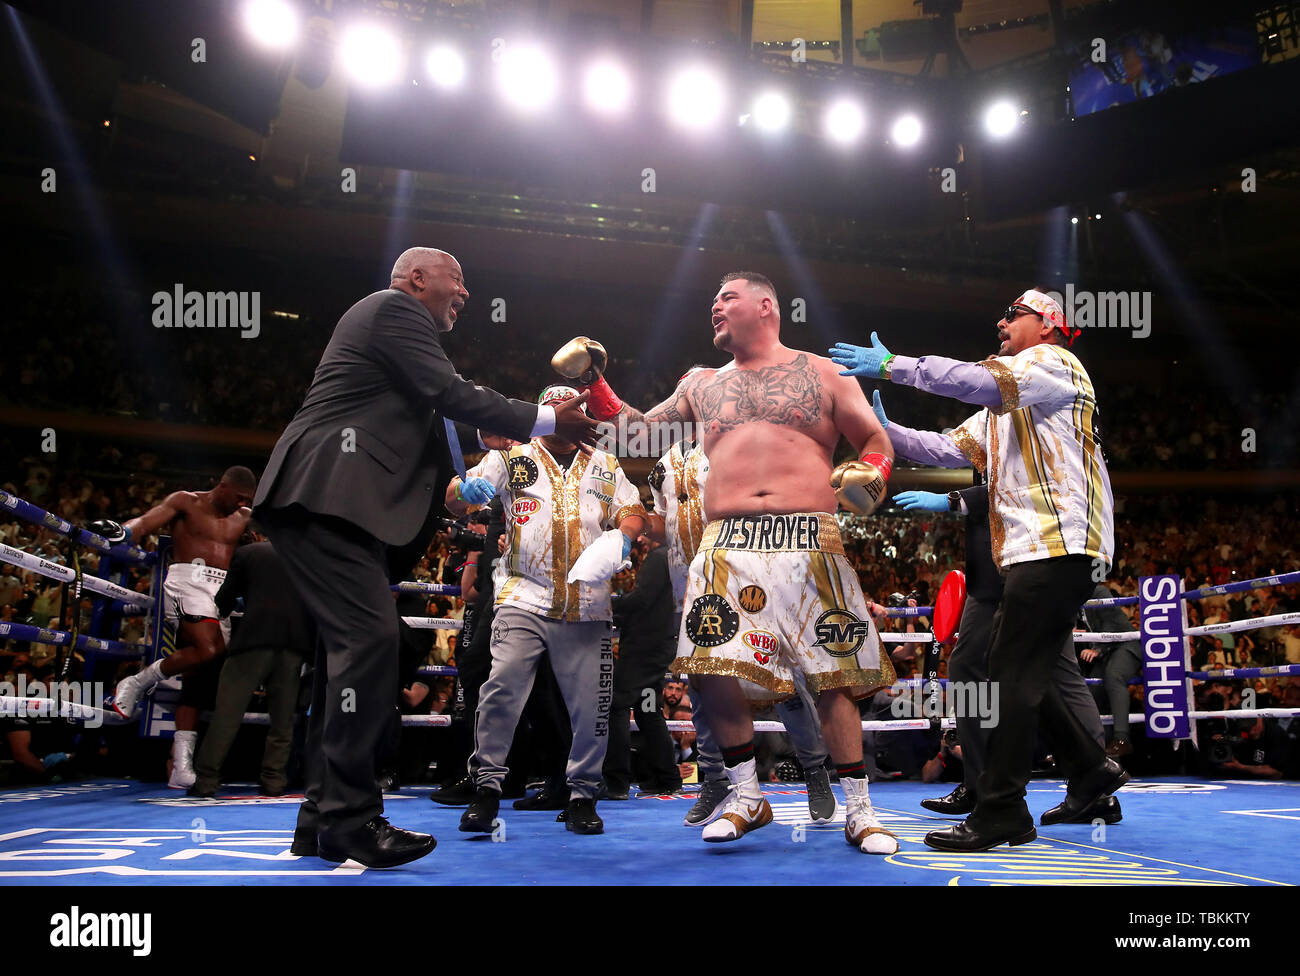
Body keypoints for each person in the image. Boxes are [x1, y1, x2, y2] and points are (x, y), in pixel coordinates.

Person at [253, 247, 600, 869]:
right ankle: (350, 821)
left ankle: (321, 819)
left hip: (338, 506)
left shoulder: (394, 336)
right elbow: (448, 391)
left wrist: (475, 467)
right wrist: (546, 419)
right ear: (418, 280)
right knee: (369, 643)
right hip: (328, 495)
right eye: (457, 279)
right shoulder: (393, 310)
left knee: (344, 664)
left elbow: (429, 414)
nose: (465, 293)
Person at [552, 271, 899, 855]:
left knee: (835, 675)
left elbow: (875, 441)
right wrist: (596, 382)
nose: (714, 306)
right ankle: (746, 794)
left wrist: (875, 476)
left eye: (726, 297)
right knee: (708, 668)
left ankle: (860, 810)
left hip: (810, 535)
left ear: (765, 307)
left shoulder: (823, 373)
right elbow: (637, 435)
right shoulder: (701, 385)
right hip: (726, 539)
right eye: (713, 298)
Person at [831, 287, 1122, 852]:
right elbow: (943, 448)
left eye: (1014, 314)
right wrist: (884, 432)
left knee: (1008, 674)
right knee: (1019, 669)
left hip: (1057, 542)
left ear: (1049, 324)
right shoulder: (1005, 410)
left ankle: (1003, 812)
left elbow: (976, 379)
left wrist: (895, 366)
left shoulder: (1053, 364)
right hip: (1034, 549)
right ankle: (1090, 769)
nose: (1001, 322)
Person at [450, 385, 646, 836]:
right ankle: (487, 790)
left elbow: (633, 509)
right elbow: (456, 498)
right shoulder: (511, 457)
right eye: (559, 408)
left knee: (591, 707)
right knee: (500, 690)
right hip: (523, 596)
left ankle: (581, 795)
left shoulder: (605, 463)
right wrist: (465, 489)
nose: (570, 415)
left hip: (587, 604)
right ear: (544, 414)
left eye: (577, 407)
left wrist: (625, 535)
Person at [891, 478, 1119, 826]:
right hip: (1016, 563)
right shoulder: (999, 430)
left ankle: (1008, 789)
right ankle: (998, 784)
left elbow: (1019, 479)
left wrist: (950, 498)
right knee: (1034, 671)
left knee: (1025, 672)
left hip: (1025, 561)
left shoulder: (1028, 431)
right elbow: (959, 450)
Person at [646, 437, 837, 827]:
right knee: (702, 687)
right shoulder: (663, 465)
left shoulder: (738, 444)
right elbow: (662, 522)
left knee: (781, 681)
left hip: (749, 579)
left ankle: (815, 769)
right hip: (691, 587)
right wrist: (623, 520)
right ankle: (715, 780)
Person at [96, 466, 257, 789]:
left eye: (246, 499)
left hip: (221, 592)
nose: (241, 503)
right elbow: (145, 523)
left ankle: (180, 763)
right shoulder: (186, 501)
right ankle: (137, 681)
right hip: (188, 582)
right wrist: (123, 531)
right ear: (221, 486)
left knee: (201, 674)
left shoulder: (244, 517)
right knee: (209, 649)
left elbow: (272, 544)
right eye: (238, 496)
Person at [188, 531, 314, 798]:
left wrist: (234, 605)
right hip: (293, 645)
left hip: (253, 640)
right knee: (283, 721)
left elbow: (224, 597)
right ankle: (274, 780)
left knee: (227, 715)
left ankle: (207, 780)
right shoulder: (306, 557)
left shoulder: (249, 553)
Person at [604, 532, 680, 798]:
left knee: (617, 705)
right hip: (655, 645)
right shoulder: (667, 558)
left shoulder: (659, 559)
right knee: (648, 709)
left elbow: (641, 600)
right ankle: (667, 777)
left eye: (642, 538)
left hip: (644, 649)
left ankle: (616, 782)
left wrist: (607, 604)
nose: (640, 543)